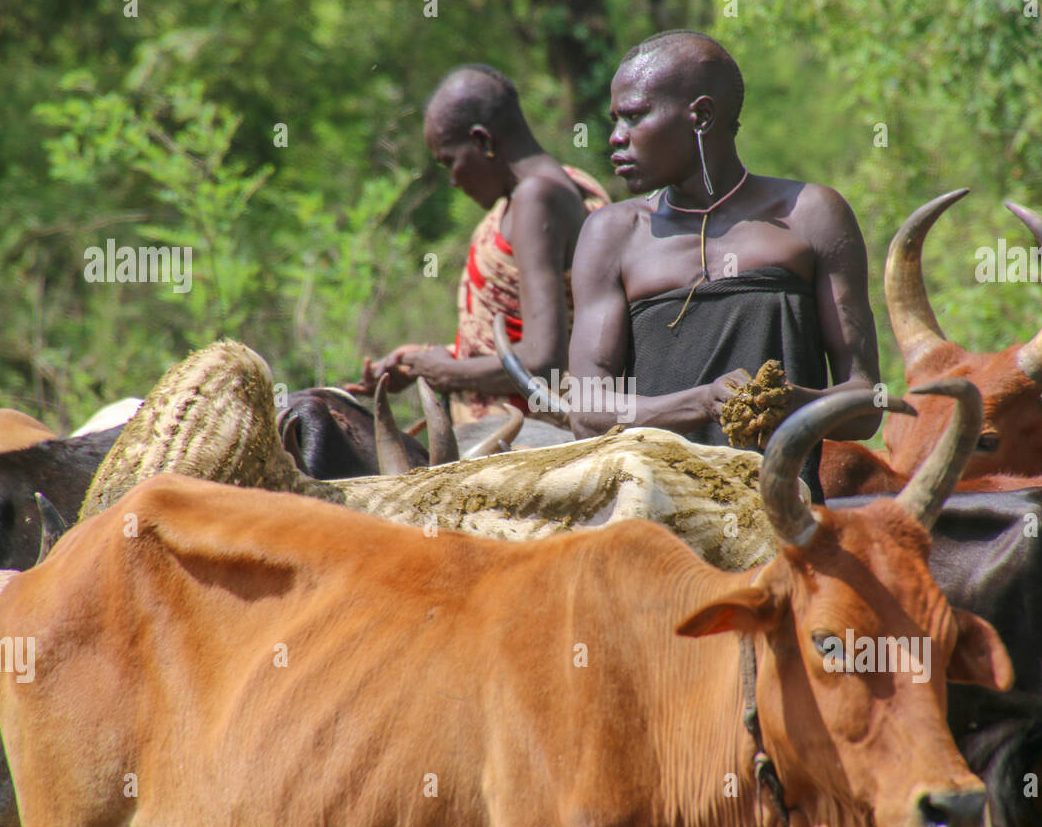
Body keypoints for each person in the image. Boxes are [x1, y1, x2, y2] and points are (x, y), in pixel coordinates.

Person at [566, 30, 882, 496]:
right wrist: (700, 403)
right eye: (615, 120)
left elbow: (866, 402)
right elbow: (587, 412)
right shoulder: (612, 233)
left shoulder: (811, 214)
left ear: (701, 116)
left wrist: (793, 404)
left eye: (634, 117)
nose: (616, 138)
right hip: (651, 520)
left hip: (780, 516)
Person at [346, 64, 609, 423]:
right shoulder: (557, 186)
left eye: (450, 161)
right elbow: (517, 330)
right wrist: (425, 359)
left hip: (525, 441)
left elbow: (543, 361)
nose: (453, 180)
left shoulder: (537, 198)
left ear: (483, 141)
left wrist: (444, 372)